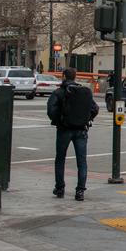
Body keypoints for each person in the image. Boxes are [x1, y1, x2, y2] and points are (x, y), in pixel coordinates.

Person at [47, 68, 98, 201]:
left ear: (63, 76)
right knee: (82, 162)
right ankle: (80, 191)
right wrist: (86, 118)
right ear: (75, 77)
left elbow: (51, 111)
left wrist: (60, 120)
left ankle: (60, 188)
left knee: (60, 159)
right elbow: (95, 108)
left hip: (64, 129)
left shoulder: (59, 92)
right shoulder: (83, 92)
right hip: (81, 130)